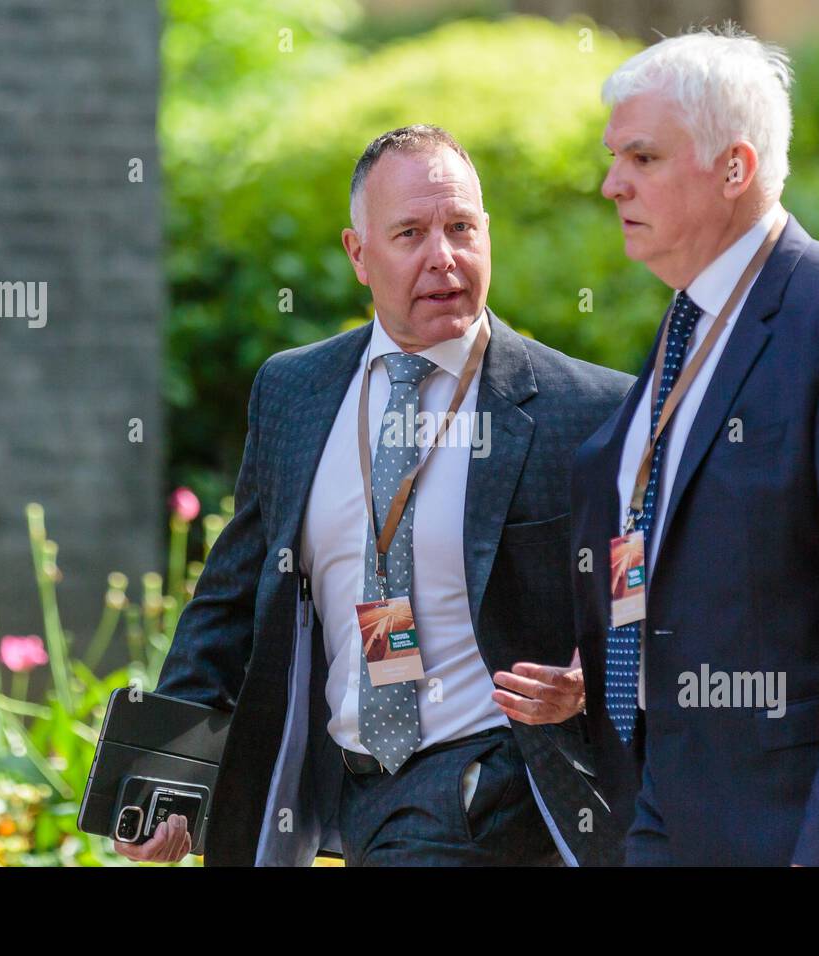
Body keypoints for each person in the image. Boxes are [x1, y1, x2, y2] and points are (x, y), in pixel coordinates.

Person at [514, 26, 819, 866]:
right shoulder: (690, 316)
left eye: (642, 158)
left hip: (798, 827)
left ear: (734, 168)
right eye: (614, 158)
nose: (610, 184)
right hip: (663, 808)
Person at [118, 125, 632, 865]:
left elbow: (644, 589)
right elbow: (226, 605)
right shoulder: (293, 392)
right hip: (344, 789)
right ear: (358, 255)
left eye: (460, 228)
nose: (442, 257)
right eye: (410, 233)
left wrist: (596, 672)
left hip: (485, 785)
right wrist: (170, 781)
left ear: (487, 234)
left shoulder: (582, 407)